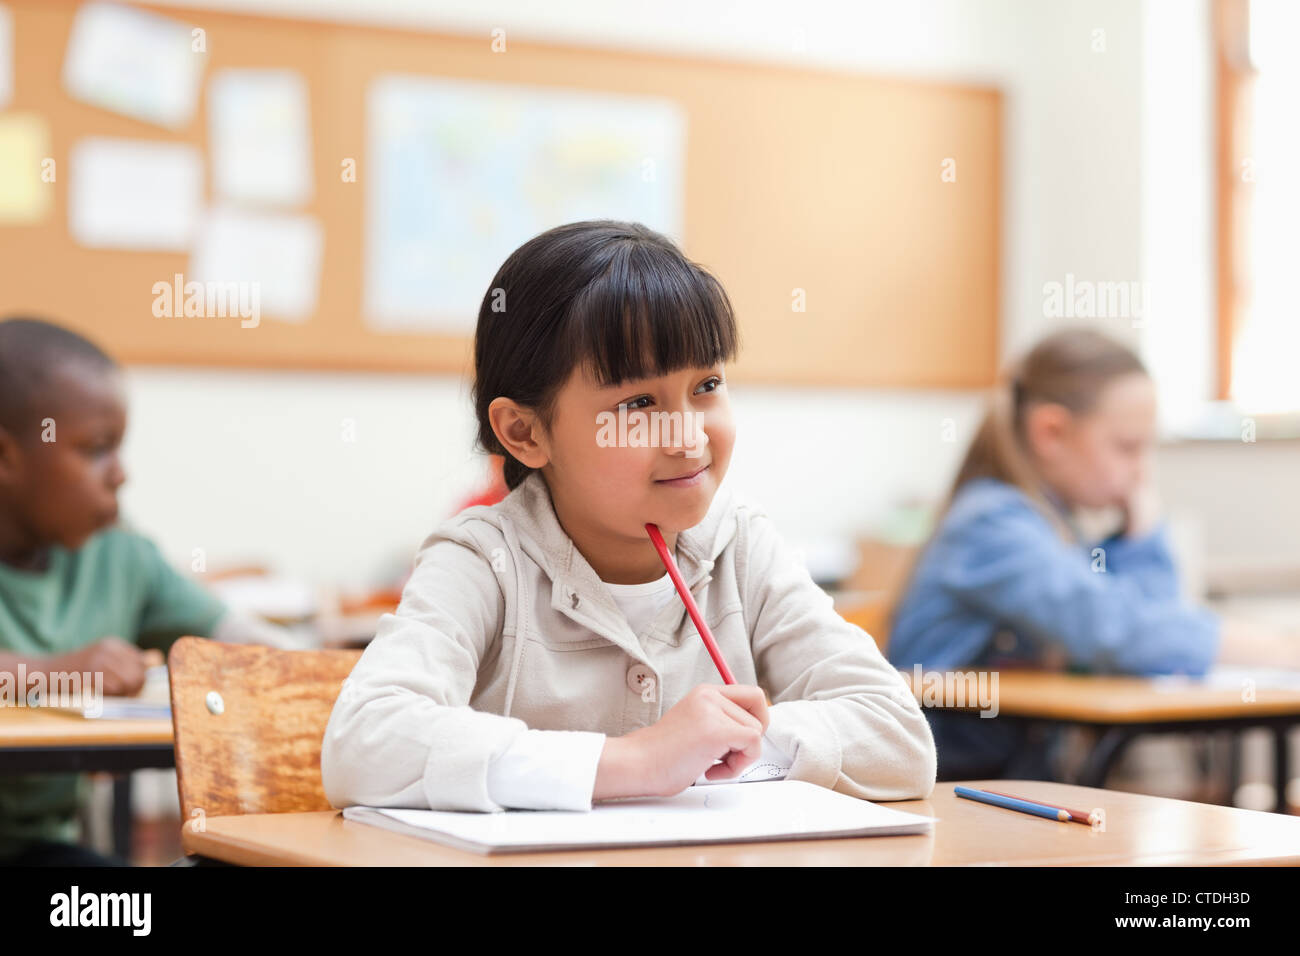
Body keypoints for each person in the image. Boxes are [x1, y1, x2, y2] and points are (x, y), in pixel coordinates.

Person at [321, 220, 936, 812]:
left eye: (707, 384)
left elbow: (899, 738)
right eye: (638, 402)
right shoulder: (484, 559)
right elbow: (363, 745)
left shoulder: (741, 546)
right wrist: (635, 762)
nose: (688, 435)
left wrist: (725, 744)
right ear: (525, 432)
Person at [887, 326, 1300, 781]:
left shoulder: (1055, 526)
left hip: (1006, 775)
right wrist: (1274, 648)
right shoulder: (990, 525)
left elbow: (1149, 635)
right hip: (944, 780)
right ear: (1051, 432)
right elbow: (1116, 630)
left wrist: (1141, 536)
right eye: (1127, 448)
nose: (1142, 472)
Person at [0, 317, 298, 865]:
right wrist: (63, 671)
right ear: (6, 456)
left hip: (37, 852)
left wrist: (354, 676)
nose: (120, 474)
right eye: (95, 449)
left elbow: (246, 642)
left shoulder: (117, 553)